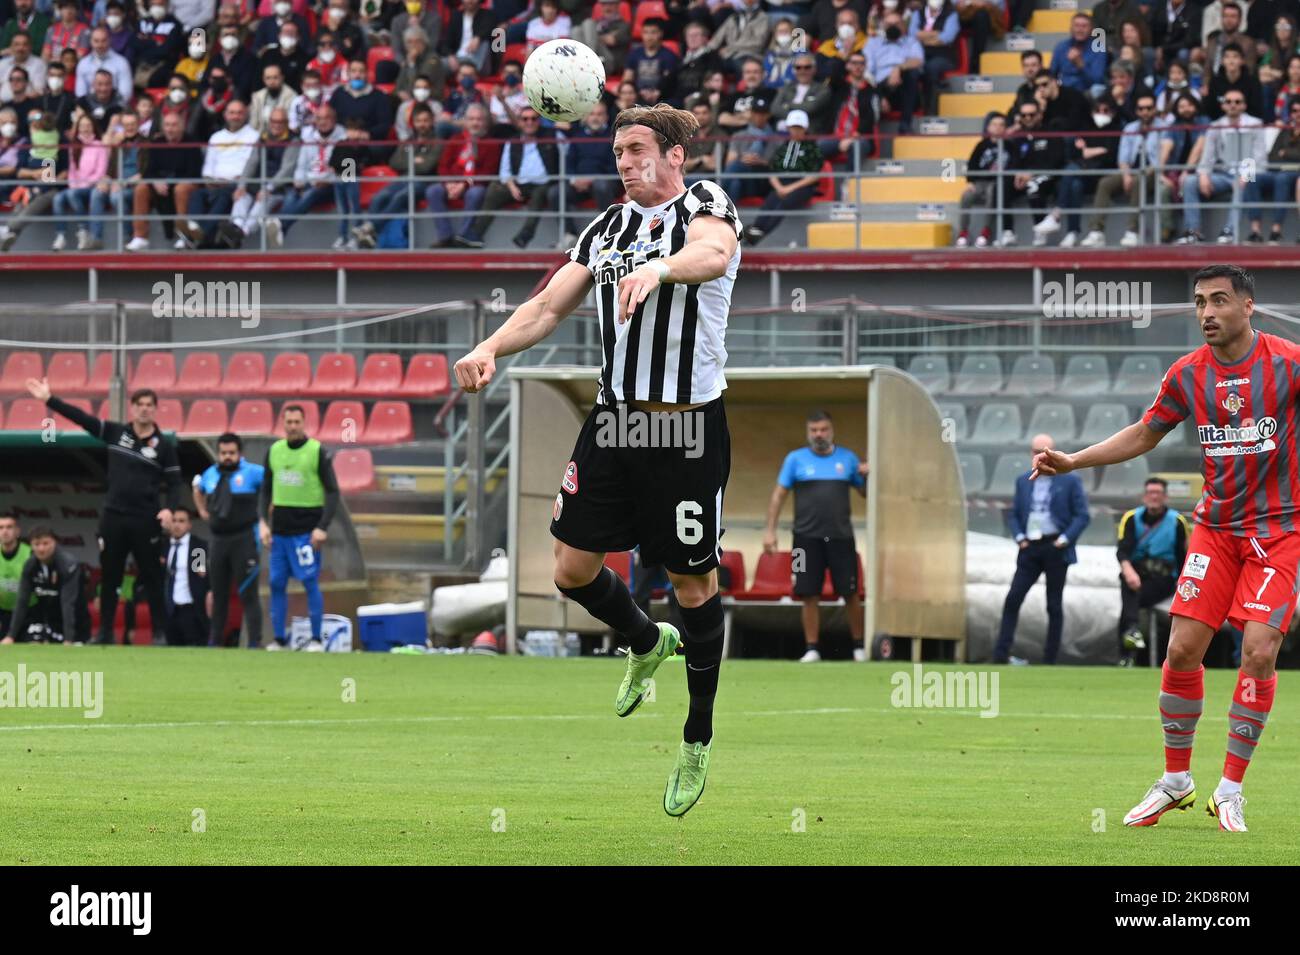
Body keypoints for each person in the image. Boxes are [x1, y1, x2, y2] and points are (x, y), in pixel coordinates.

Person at [453, 103, 743, 818]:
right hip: (615, 423)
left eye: (638, 148)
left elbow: (714, 255)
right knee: (570, 568)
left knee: (693, 583)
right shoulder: (606, 227)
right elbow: (549, 307)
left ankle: (697, 736)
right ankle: (647, 642)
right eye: (617, 151)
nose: (625, 161)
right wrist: (490, 345)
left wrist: (661, 270)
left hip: (685, 432)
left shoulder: (707, 203)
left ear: (675, 155)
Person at [1033, 265, 1291, 833]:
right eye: (1200, 302)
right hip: (1216, 532)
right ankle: (1176, 781)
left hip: (1280, 534)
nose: (1207, 312)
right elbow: (1146, 433)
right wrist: (1074, 459)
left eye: (1220, 300)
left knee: (1258, 650)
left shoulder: (1288, 364)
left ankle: (1230, 790)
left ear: (1249, 307)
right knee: (1180, 652)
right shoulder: (1187, 374)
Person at [24, 380, 180, 646]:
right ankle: (105, 632)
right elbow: (82, 419)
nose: (144, 410)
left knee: (153, 576)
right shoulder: (116, 432)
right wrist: (50, 400)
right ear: (131, 408)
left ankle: (159, 633)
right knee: (110, 576)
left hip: (145, 519)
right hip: (114, 517)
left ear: (155, 410)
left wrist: (169, 509)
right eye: (139, 405)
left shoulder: (164, 445)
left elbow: (175, 482)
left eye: (149, 406)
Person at [763, 410, 869, 662]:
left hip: (842, 538)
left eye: (823, 429)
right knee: (807, 592)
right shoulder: (795, 460)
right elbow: (778, 495)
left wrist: (868, 475)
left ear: (831, 431)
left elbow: (866, 494)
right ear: (808, 432)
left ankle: (858, 647)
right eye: (814, 430)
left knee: (850, 591)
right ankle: (812, 648)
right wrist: (770, 531)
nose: (819, 434)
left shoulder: (849, 459)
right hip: (804, 540)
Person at [991, 432, 1090, 665]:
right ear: (1030, 454)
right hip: (1030, 548)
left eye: (1045, 452)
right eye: (1036, 452)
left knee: (1053, 604)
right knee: (1013, 598)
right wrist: (1019, 537)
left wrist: (1064, 540)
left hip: (1056, 547)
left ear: (1053, 454)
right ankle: (1000, 655)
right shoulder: (1023, 480)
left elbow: (1082, 515)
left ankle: (1050, 660)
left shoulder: (1070, 480)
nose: (1040, 456)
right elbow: (1015, 514)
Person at [259, 404, 339, 651]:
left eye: (297, 422)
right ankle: (279, 639)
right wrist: (263, 523)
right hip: (280, 532)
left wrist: (322, 527)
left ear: (304, 423)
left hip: (306, 532)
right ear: (282, 423)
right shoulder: (274, 450)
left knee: (309, 581)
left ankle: (316, 639)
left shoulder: (317, 451)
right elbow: (265, 490)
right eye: (289, 422)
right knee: (275, 583)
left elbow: (333, 491)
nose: (292, 426)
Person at [194, 432, 265, 648]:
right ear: (218, 453)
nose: (227, 457)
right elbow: (197, 488)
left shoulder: (253, 473)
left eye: (231, 453)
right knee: (218, 594)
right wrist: (202, 510)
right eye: (223, 453)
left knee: (248, 593)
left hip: (244, 539)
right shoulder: (210, 474)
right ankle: (215, 641)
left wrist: (265, 518)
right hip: (218, 541)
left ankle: (254, 642)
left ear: (239, 453)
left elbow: (271, 490)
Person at [1176, 88, 1266, 244]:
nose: (1232, 105)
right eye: (1228, 102)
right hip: (1224, 174)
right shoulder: (1216, 126)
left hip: (1248, 174)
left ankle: (1229, 231)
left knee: (1242, 186)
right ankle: (1193, 231)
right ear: (1223, 106)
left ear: (1244, 106)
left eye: (1237, 102)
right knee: (1190, 181)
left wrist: (1245, 176)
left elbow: (1258, 155)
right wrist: (1203, 174)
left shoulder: (1255, 124)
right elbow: (1208, 155)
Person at [1116, 477, 1190, 666]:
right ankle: (1131, 636)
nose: (1154, 497)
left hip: (1163, 578)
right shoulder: (1131, 518)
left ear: (1165, 497)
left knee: (1130, 600)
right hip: (1136, 574)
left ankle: (1128, 652)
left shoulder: (1177, 521)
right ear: (1144, 496)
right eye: (1150, 493)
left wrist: (1182, 581)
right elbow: (1123, 550)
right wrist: (1129, 572)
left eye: (1158, 493)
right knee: (1129, 585)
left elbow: (1184, 554)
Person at [1081, 92, 1170, 247]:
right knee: (1105, 183)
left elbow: (1164, 154)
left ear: (1155, 109)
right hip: (1132, 170)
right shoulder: (1130, 128)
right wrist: (1126, 174)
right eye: (1141, 109)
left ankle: (1132, 231)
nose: (1145, 112)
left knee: (1138, 181)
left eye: (1149, 108)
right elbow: (1123, 158)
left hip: (1153, 171)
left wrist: (1152, 171)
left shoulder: (1164, 128)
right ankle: (1096, 231)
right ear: (1136, 111)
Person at [742, 109, 824, 244]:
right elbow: (773, 169)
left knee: (784, 203)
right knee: (769, 202)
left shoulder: (813, 148)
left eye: (799, 128)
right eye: (793, 127)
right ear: (788, 128)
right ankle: (755, 229)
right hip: (782, 182)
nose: (796, 131)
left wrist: (789, 188)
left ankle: (760, 234)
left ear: (805, 128)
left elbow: (814, 176)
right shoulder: (783, 146)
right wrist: (779, 187)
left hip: (803, 185)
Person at [0, 526, 89, 645]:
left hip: (75, 620)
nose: (41, 549)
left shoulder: (67, 564)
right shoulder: (30, 565)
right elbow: (22, 601)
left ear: (54, 543)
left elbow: (68, 603)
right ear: (31, 546)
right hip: (48, 620)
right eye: (36, 544)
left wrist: (69, 639)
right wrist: (10, 636)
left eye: (45, 543)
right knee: (33, 643)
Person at [954, 111, 1006, 248]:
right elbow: (972, 164)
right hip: (979, 182)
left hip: (997, 183)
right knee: (966, 196)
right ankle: (963, 233)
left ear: (1005, 128)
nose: (997, 128)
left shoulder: (1009, 146)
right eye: (994, 125)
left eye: (1001, 125)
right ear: (988, 128)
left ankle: (985, 232)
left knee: (992, 192)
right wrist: (970, 181)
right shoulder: (981, 145)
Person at [161, 506, 210, 646]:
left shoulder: (197, 547)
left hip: (189, 609)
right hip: (168, 609)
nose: (177, 525)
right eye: (174, 520)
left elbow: (201, 577)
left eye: (181, 521)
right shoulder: (163, 546)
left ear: (189, 525)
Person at [0, 510, 34, 639]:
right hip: (4, 613)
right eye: (1, 527)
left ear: (17, 531)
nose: (5, 531)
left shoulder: (30, 554)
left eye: (9, 527)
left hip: (29, 612)